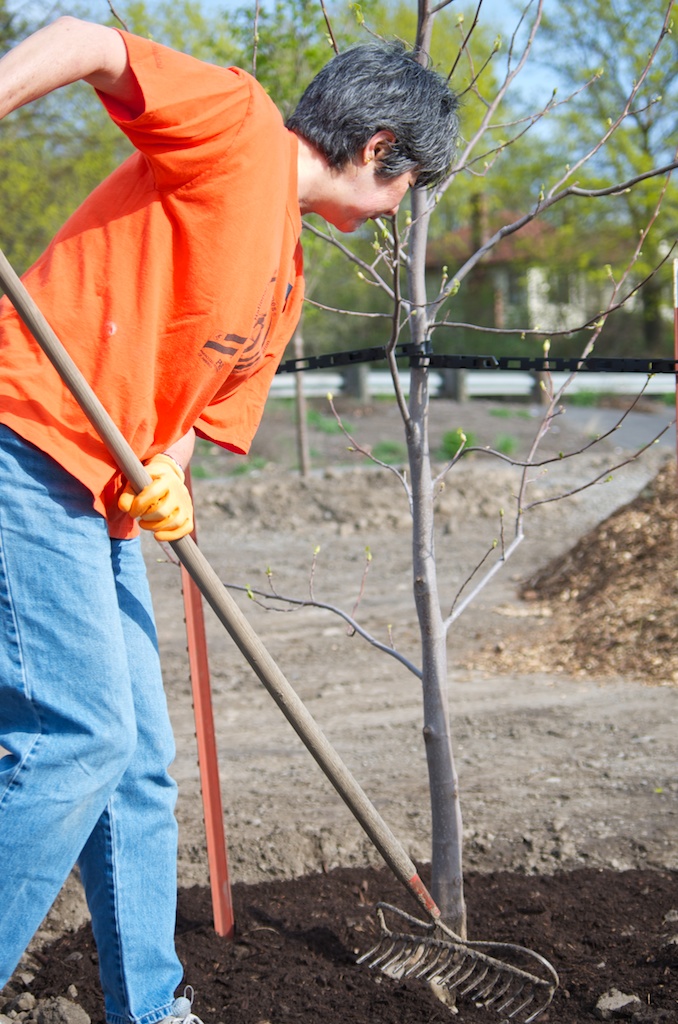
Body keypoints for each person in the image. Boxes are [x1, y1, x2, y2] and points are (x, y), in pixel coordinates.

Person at [0, 16, 459, 1024]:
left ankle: (150, 1008)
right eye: (409, 185)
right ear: (379, 147)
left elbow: (190, 418)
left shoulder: (285, 275)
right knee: (79, 736)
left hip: (99, 496)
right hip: (24, 440)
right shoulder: (236, 125)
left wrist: (170, 471)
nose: (400, 210)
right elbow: (86, 41)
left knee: (137, 766)